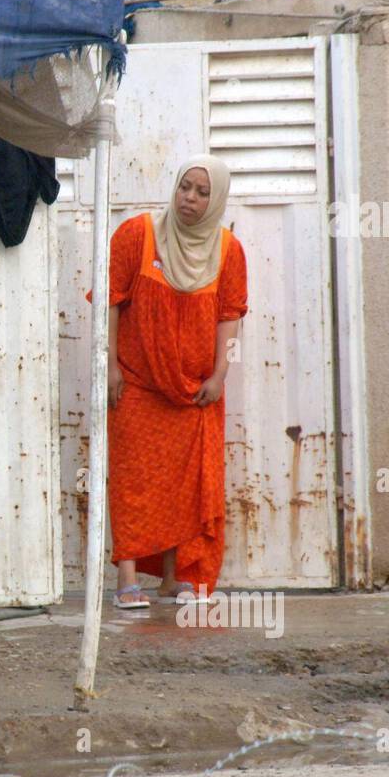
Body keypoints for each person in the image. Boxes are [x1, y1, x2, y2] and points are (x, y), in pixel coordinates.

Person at [99, 154, 248, 608]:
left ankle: (173, 578)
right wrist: (110, 365)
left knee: (185, 485)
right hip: (138, 384)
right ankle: (127, 579)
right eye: (186, 187)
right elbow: (111, 300)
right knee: (134, 479)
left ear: (216, 198)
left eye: (204, 192)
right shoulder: (137, 235)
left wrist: (220, 374)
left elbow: (229, 315)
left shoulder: (228, 250)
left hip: (194, 391)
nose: (191, 199)